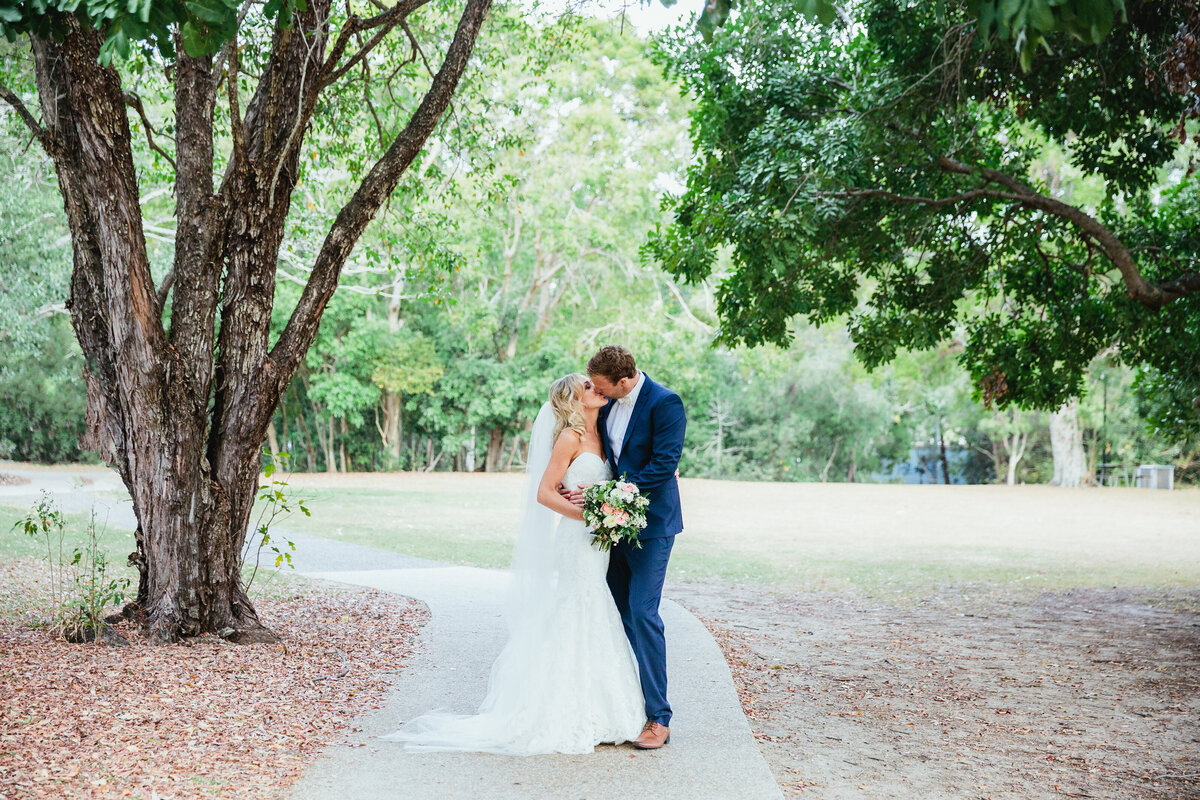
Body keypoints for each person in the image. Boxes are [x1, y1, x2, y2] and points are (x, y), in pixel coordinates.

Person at [380, 373, 646, 755]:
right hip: (577, 539)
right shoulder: (569, 439)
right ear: (574, 399)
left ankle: (602, 705)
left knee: (594, 605)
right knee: (580, 605)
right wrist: (588, 515)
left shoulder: (601, 434)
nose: (597, 389)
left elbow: (609, 483)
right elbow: (544, 493)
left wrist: (610, 504)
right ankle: (567, 709)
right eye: (588, 387)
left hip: (599, 542)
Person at [567, 345, 687, 750]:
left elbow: (663, 464)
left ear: (623, 381)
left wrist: (607, 495)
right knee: (616, 612)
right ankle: (627, 705)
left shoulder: (665, 403)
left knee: (643, 611)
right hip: (611, 530)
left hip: (652, 527)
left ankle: (659, 718)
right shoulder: (606, 404)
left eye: (602, 387)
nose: (596, 392)